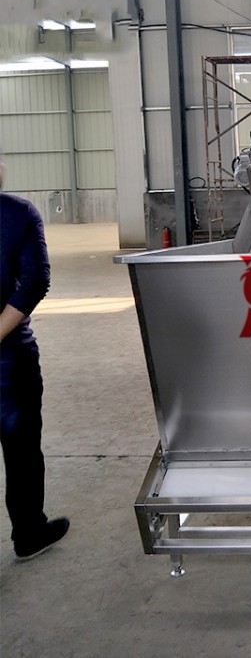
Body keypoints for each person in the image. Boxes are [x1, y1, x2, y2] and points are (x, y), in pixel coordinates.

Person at [0, 162, 69, 560]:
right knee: (22, 450)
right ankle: (28, 533)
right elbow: (35, 281)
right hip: (9, 359)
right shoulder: (18, 213)